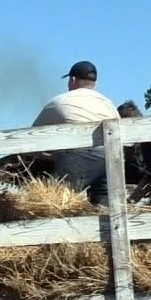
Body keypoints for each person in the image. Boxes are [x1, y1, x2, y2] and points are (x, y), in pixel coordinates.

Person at [30, 61, 120, 203]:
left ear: (72, 80)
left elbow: (32, 138)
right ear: (94, 84)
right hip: (111, 156)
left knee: (59, 202)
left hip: (78, 157)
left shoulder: (59, 102)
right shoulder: (109, 105)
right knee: (104, 204)